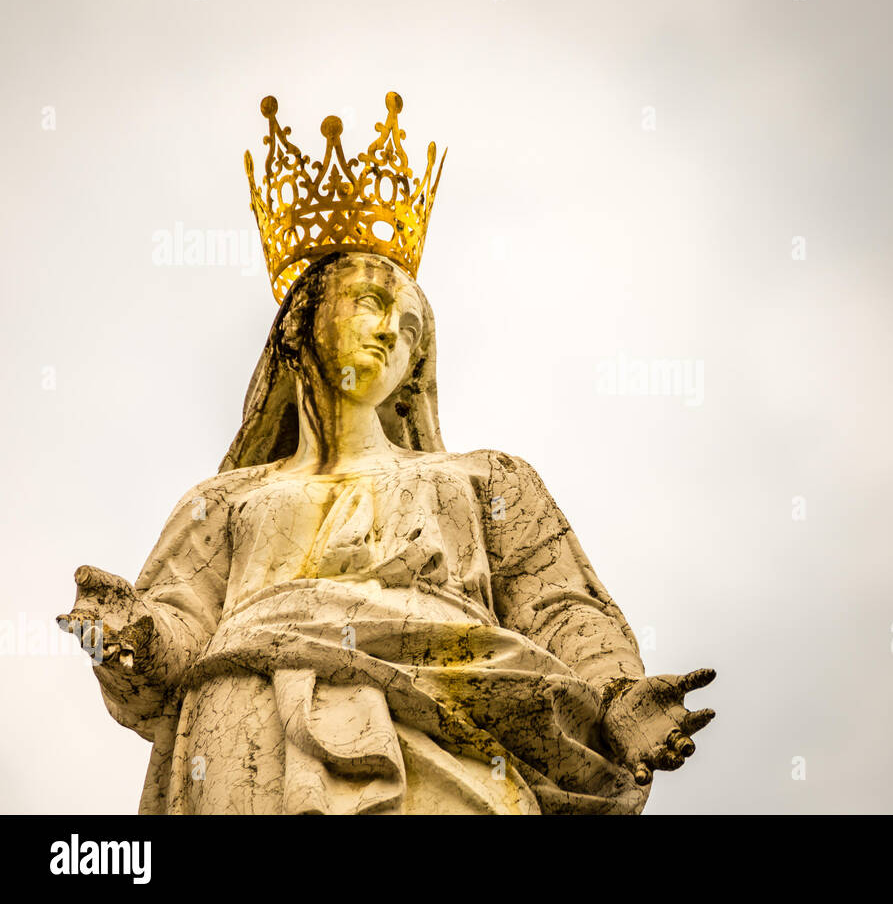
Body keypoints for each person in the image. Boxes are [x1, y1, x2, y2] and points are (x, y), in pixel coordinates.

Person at [59, 249, 714, 814]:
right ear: (298, 323)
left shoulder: (487, 478)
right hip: (250, 721)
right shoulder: (224, 499)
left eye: (410, 329)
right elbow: (174, 642)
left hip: (457, 715)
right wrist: (129, 636)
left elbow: (560, 606)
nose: (389, 333)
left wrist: (617, 693)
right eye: (370, 302)